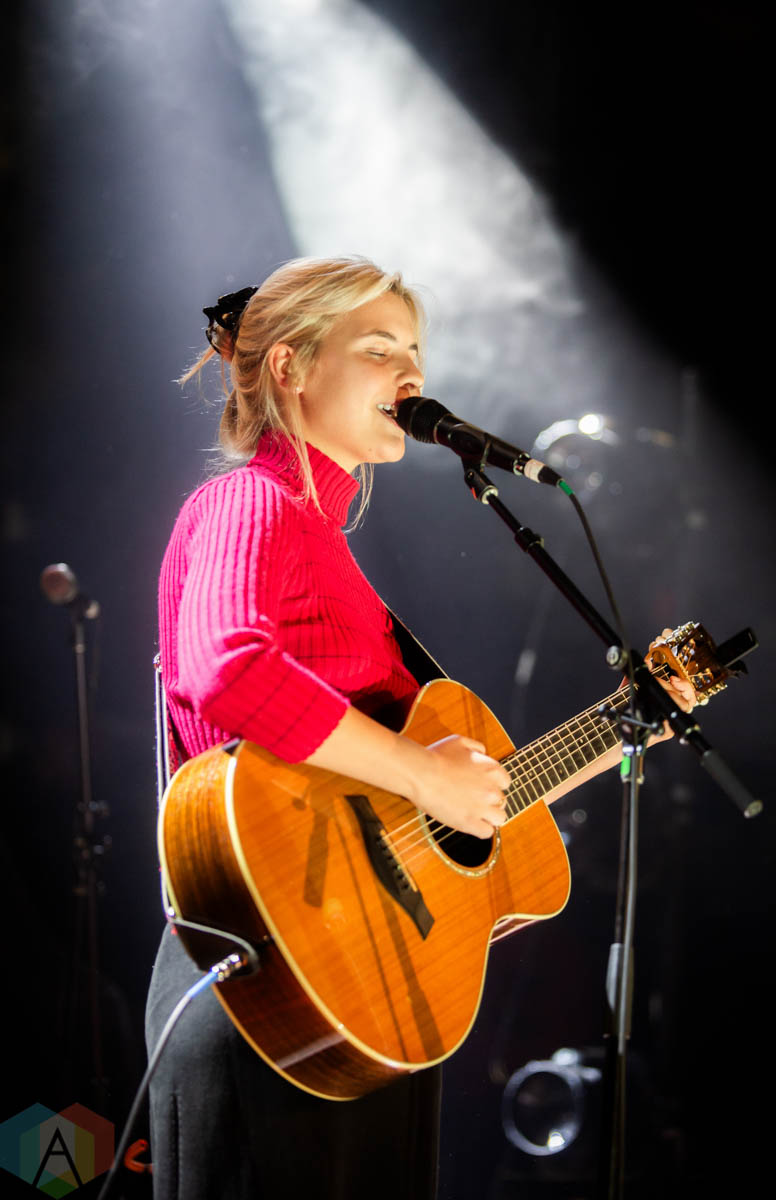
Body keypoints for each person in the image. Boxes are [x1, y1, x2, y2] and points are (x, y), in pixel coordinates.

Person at [145, 255, 694, 1200]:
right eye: (380, 348)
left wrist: (620, 729)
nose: (413, 376)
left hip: (369, 987)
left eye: (417, 352)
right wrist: (422, 772)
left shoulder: (333, 556)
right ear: (290, 368)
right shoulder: (251, 501)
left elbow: (448, 806)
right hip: (267, 968)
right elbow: (228, 670)